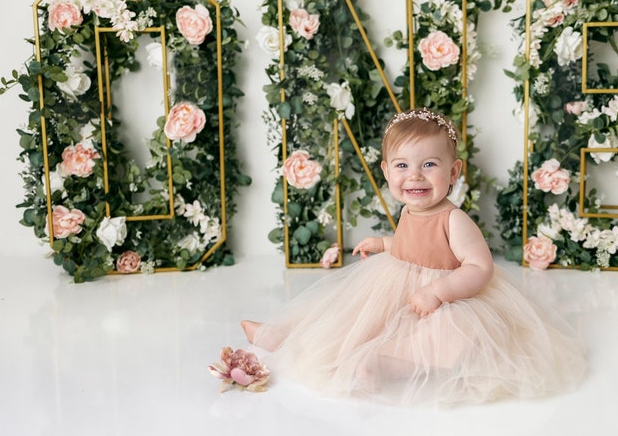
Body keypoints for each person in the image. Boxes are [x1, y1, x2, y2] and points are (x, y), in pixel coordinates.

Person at [242, 108, 586, 407]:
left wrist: (438, 293)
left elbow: (480, 267)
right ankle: (291, 337)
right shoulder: (409, 210)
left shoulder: (455, 219)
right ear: (387, 171)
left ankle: (385, 365)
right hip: (396, 285)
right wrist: (385, 244)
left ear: (453, 172)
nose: (415, 175)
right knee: (349, 314)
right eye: (403, 165)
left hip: (447, 296)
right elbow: (414, 246)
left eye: (430, 164)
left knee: (447, 336)